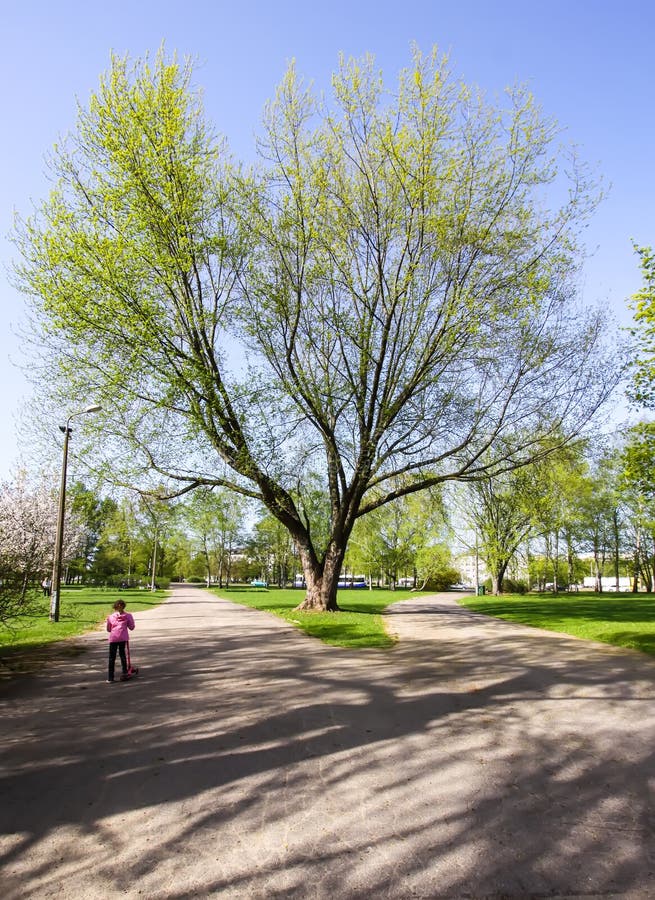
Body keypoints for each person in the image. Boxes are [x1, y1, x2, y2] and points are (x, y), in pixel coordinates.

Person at [106, 599, 135, 683]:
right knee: (122, 655)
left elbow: (108, 629)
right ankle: (125, 672)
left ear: (114, 607)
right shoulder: (128, 616)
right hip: (123, 638)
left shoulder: (110, 617)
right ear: (123, 606)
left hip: (113, 638)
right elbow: (132, 627)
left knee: (112, 657)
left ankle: (110, 677)